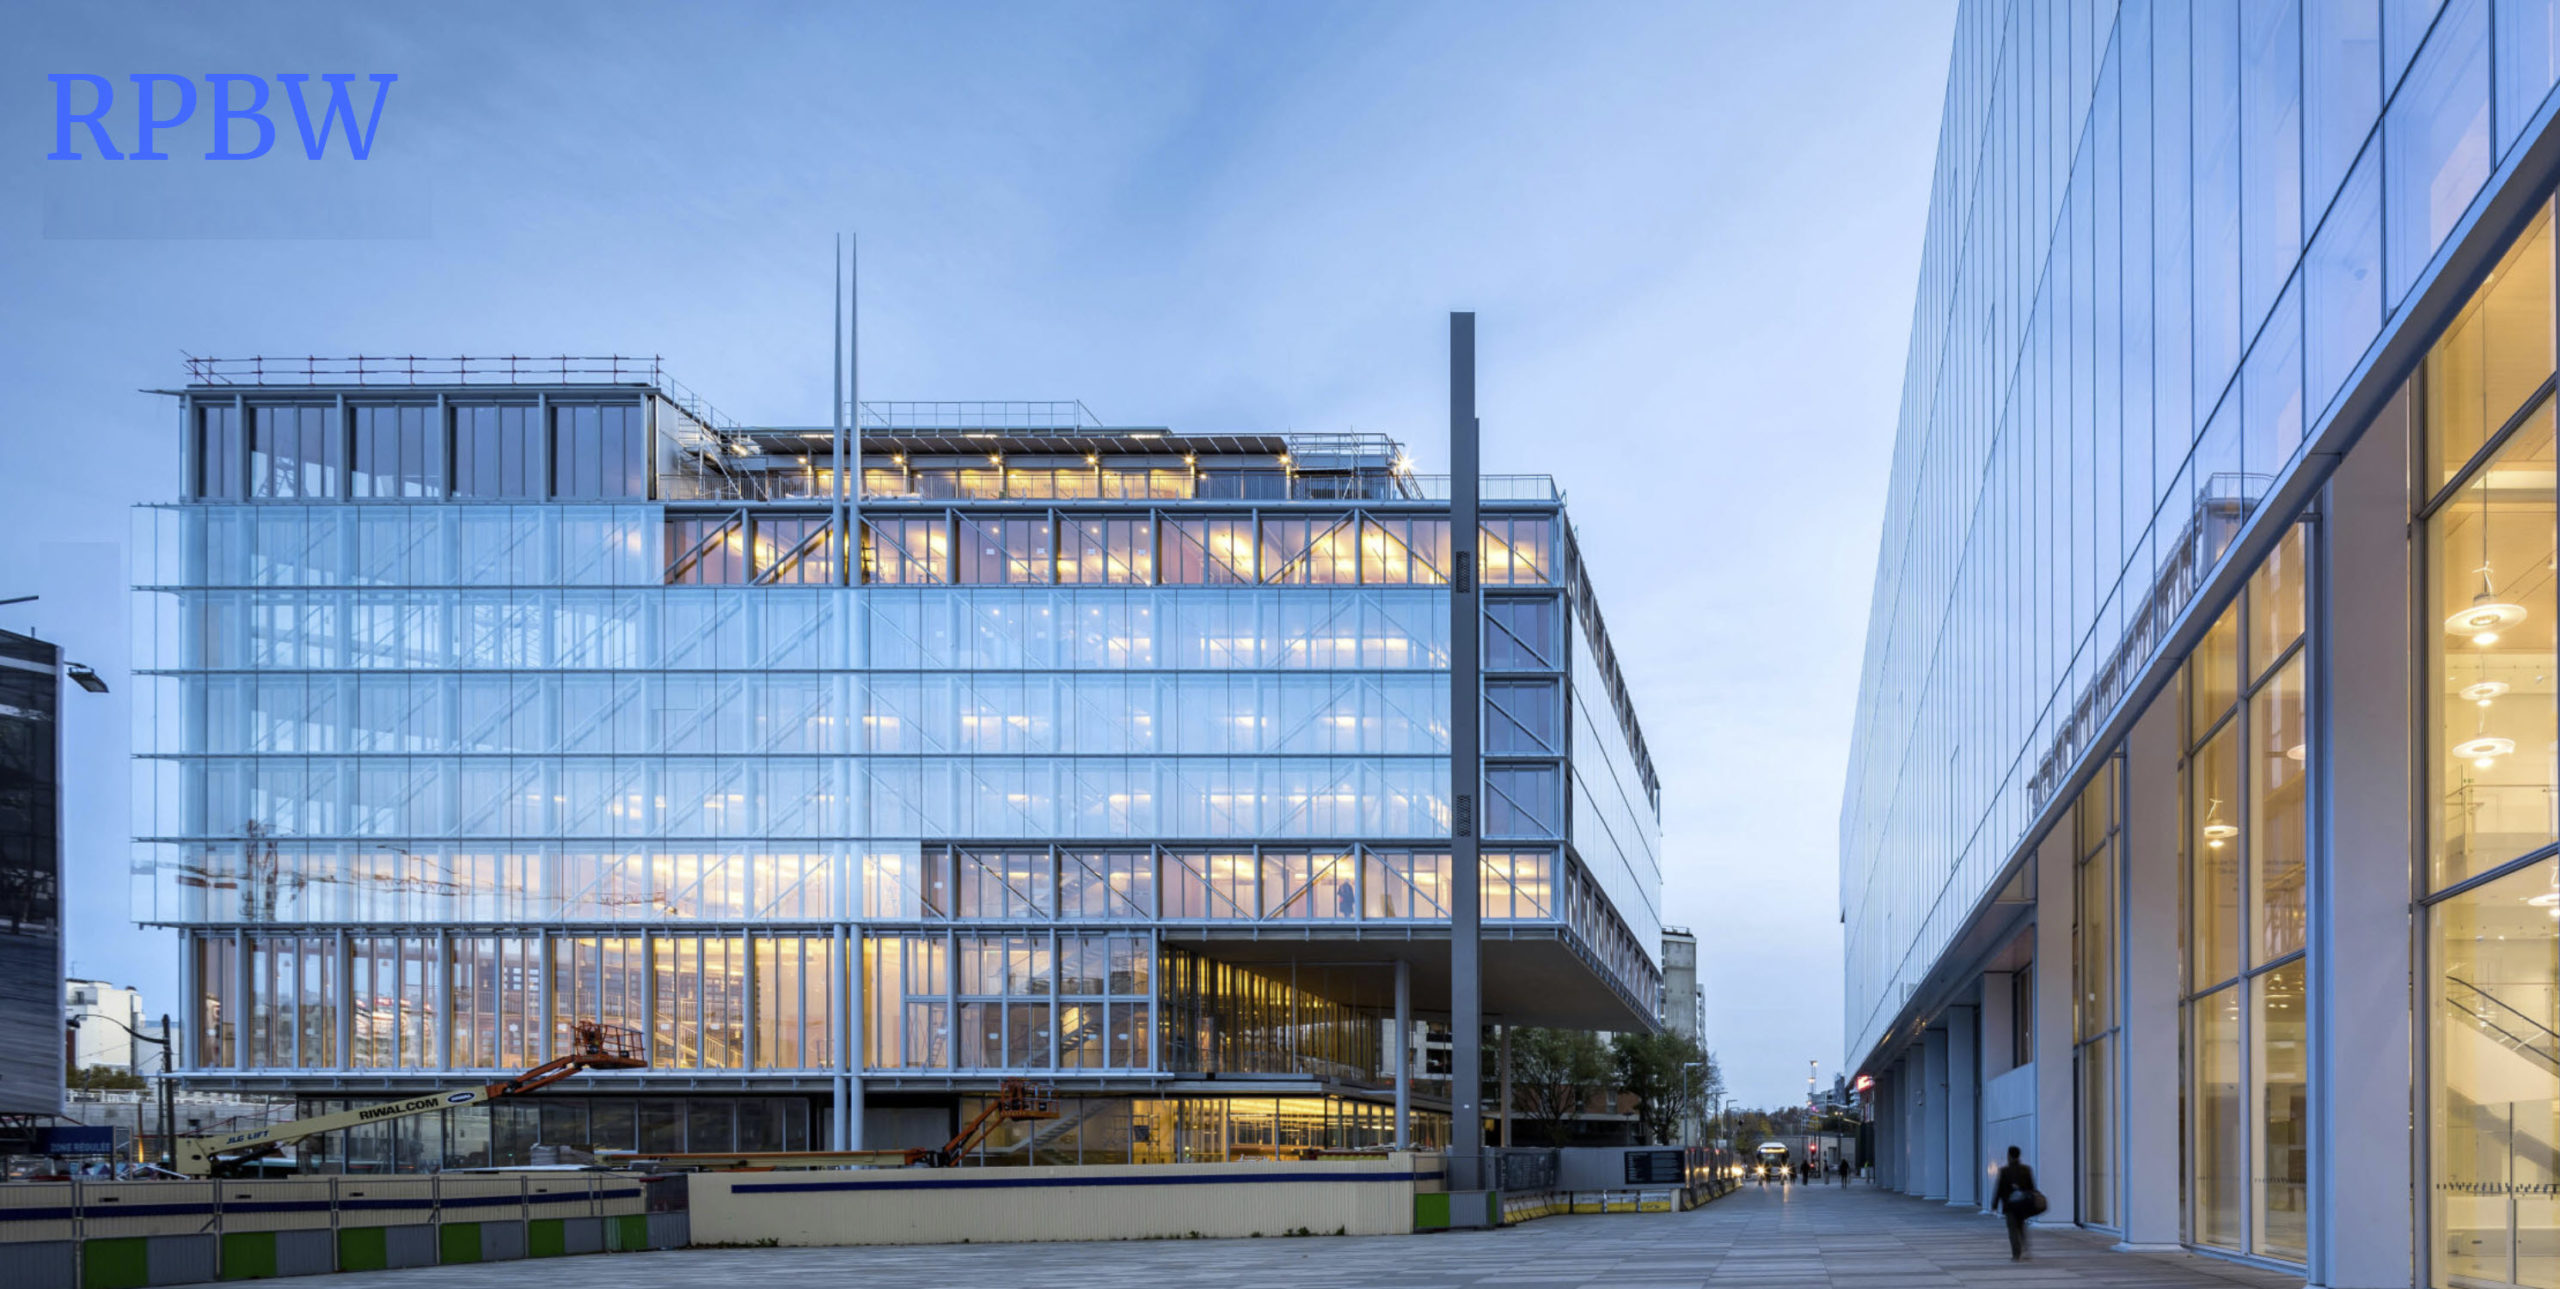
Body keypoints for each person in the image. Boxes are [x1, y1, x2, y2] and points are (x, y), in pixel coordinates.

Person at [1991, 1145, 2039, 1261]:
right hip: (2022, 1205)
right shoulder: (2026, 1170)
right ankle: (2026, 1249)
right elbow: (2032, 1188)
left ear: (2009, 1156)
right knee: (2021, 1226)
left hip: (2009, 1206)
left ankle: (2016, 1254)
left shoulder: (2004, 1171)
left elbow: (1999, 1189)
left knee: (2012, 1229)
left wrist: (1994, 1205)